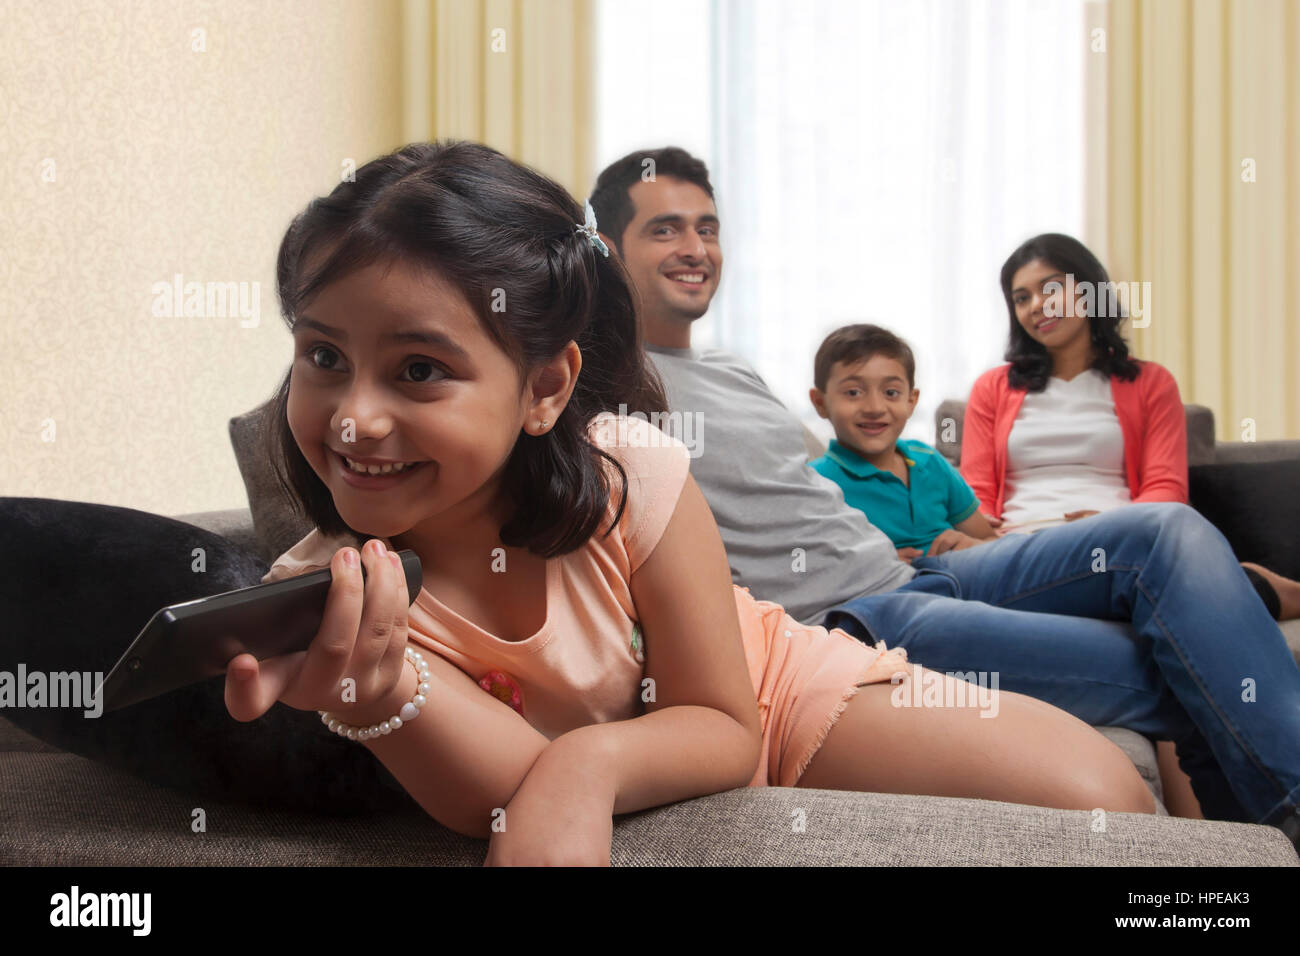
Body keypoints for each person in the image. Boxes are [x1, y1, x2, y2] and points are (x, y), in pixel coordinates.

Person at [214, 139, 1172, 866]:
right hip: (670, 741)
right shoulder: (338, 600)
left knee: (1105, 800)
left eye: (419, 369)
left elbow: (722, 722)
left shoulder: (631, 472)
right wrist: (386, 697)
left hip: (775, 692)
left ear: (546, 388)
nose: (354, 419)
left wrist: (591, 761)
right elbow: (502, 798)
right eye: (323, 357)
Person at [588, 145, 1300, 845]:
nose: (695, 247)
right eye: (665, 229)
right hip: (851, 622)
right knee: (1173, 658)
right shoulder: (601, 383)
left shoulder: (733, 371)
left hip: (922, 572)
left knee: (1166, 530)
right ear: (609, 248)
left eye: (706, 228)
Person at [962, 232, 1300, 622]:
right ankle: (1248, 587)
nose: (1037, 305)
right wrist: (979, 536)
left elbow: (1166, 489)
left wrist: (1113, 526)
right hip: (1021, 546)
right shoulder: (992, 388)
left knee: (1156, 552)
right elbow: (976, 494)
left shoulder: (1151, 383)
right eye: (1022, 298)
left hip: (1121, 541)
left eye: (1051, 288)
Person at [806, 323, 999, 563]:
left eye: (891, 393)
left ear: (911, 400)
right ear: (820, 402)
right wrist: (871, 567)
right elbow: (804, 570)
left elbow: (991, 542)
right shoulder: (816, 484)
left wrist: (973, 546)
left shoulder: (929, 461)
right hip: (891, 593)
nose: (875, 408)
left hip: (967, 576)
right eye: (853, 392)